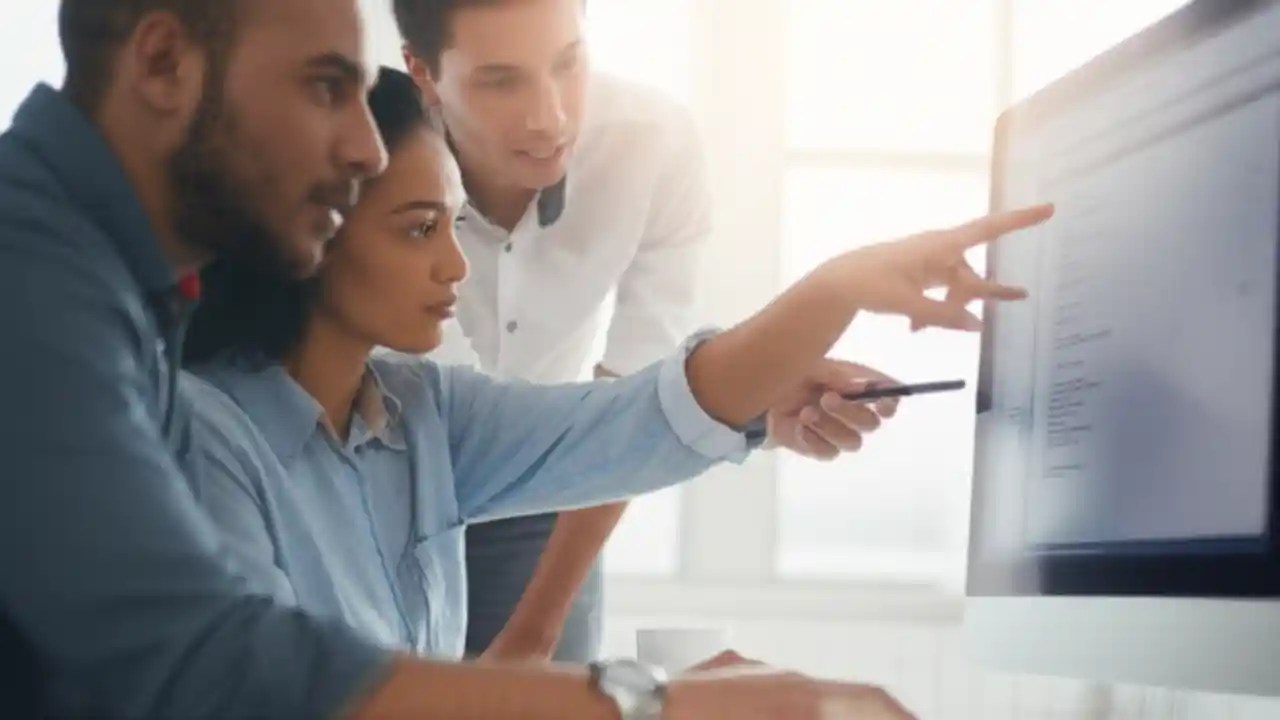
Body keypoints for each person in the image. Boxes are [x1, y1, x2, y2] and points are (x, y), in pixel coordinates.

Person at [0, 0, 1046, 716]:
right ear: (162, 63)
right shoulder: (50, 297)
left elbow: (640, 415)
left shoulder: (406, 411)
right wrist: (654, 702)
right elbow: (212, 671)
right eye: (323, 86)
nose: (361, 145)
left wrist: (831, 294)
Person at [180, 66, 904, 661]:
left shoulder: (423, 412)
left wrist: (811, 327)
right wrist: (646, 701)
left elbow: (642, 420)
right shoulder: (204, 441)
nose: (456, 265)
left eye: (454, 225)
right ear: (311, 234)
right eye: (421, 229)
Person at [391, 0, 889, 663]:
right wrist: (731, 405)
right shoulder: (372, 163)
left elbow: (633, 379)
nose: (551, 117)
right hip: (392, 477)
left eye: (567, 64)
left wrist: (537, 630)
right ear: (423, 74)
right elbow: (459, 427)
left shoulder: (651, 145)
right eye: (501, 80)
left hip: (567, 484)